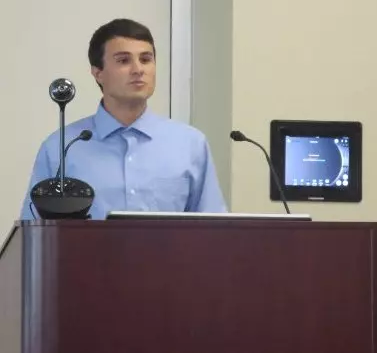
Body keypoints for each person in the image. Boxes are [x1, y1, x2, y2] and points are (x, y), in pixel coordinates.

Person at [20, 18, 227, 219]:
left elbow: (214, 231)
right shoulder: (61, 147)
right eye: (123, 60)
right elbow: (33, 235)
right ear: (98, 73)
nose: (138, 70)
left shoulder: (190, 144)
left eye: (146, 59)